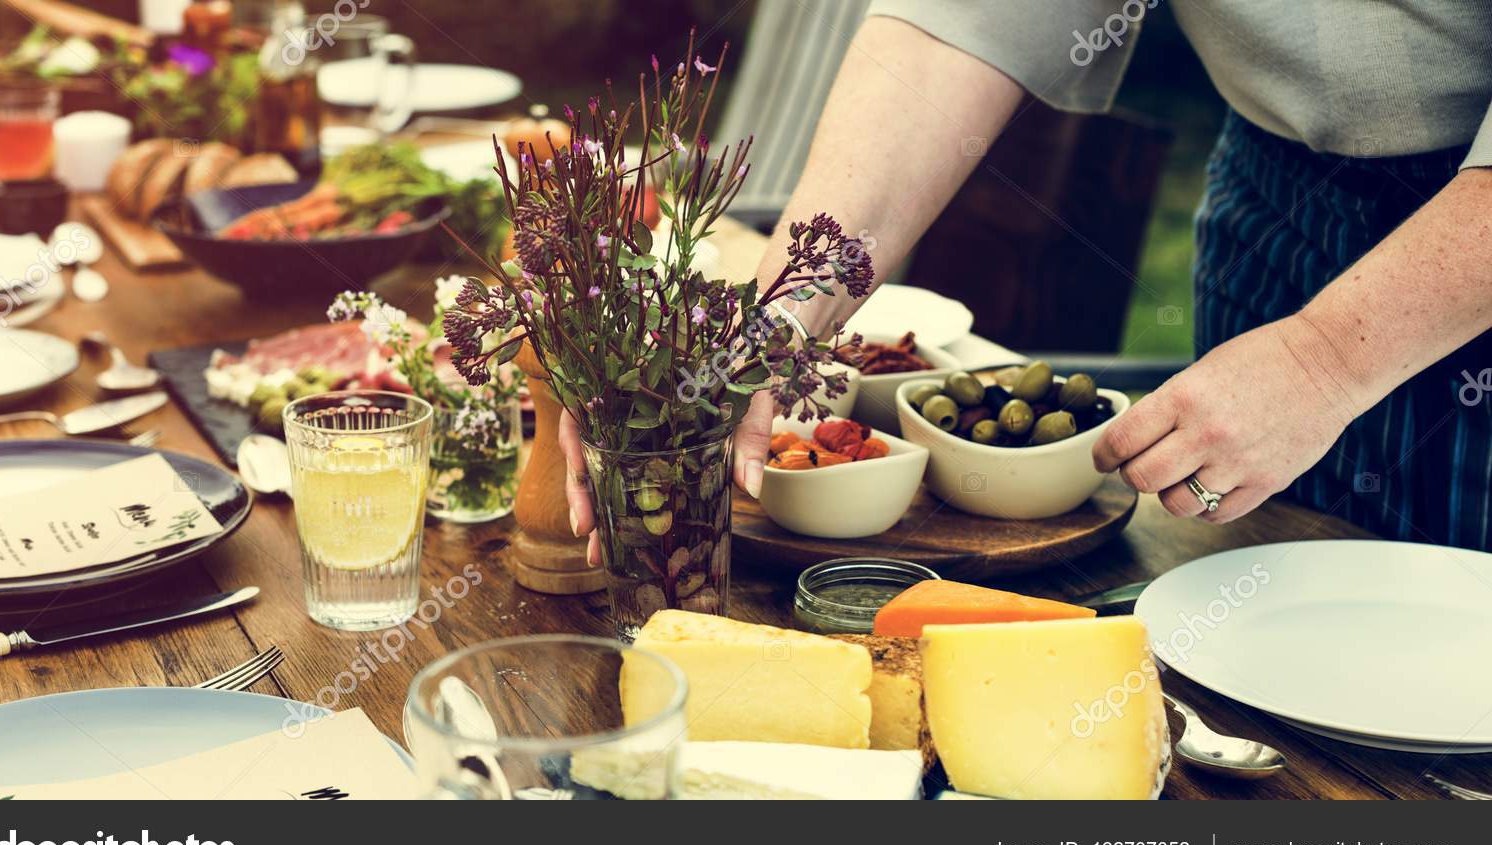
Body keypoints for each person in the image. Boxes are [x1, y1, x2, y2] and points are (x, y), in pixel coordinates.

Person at [563, 1, 1492, 560]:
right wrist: (778, 312)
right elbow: (966, 22)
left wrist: (1325, 358)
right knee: (1268, 627)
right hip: (1281, 186)